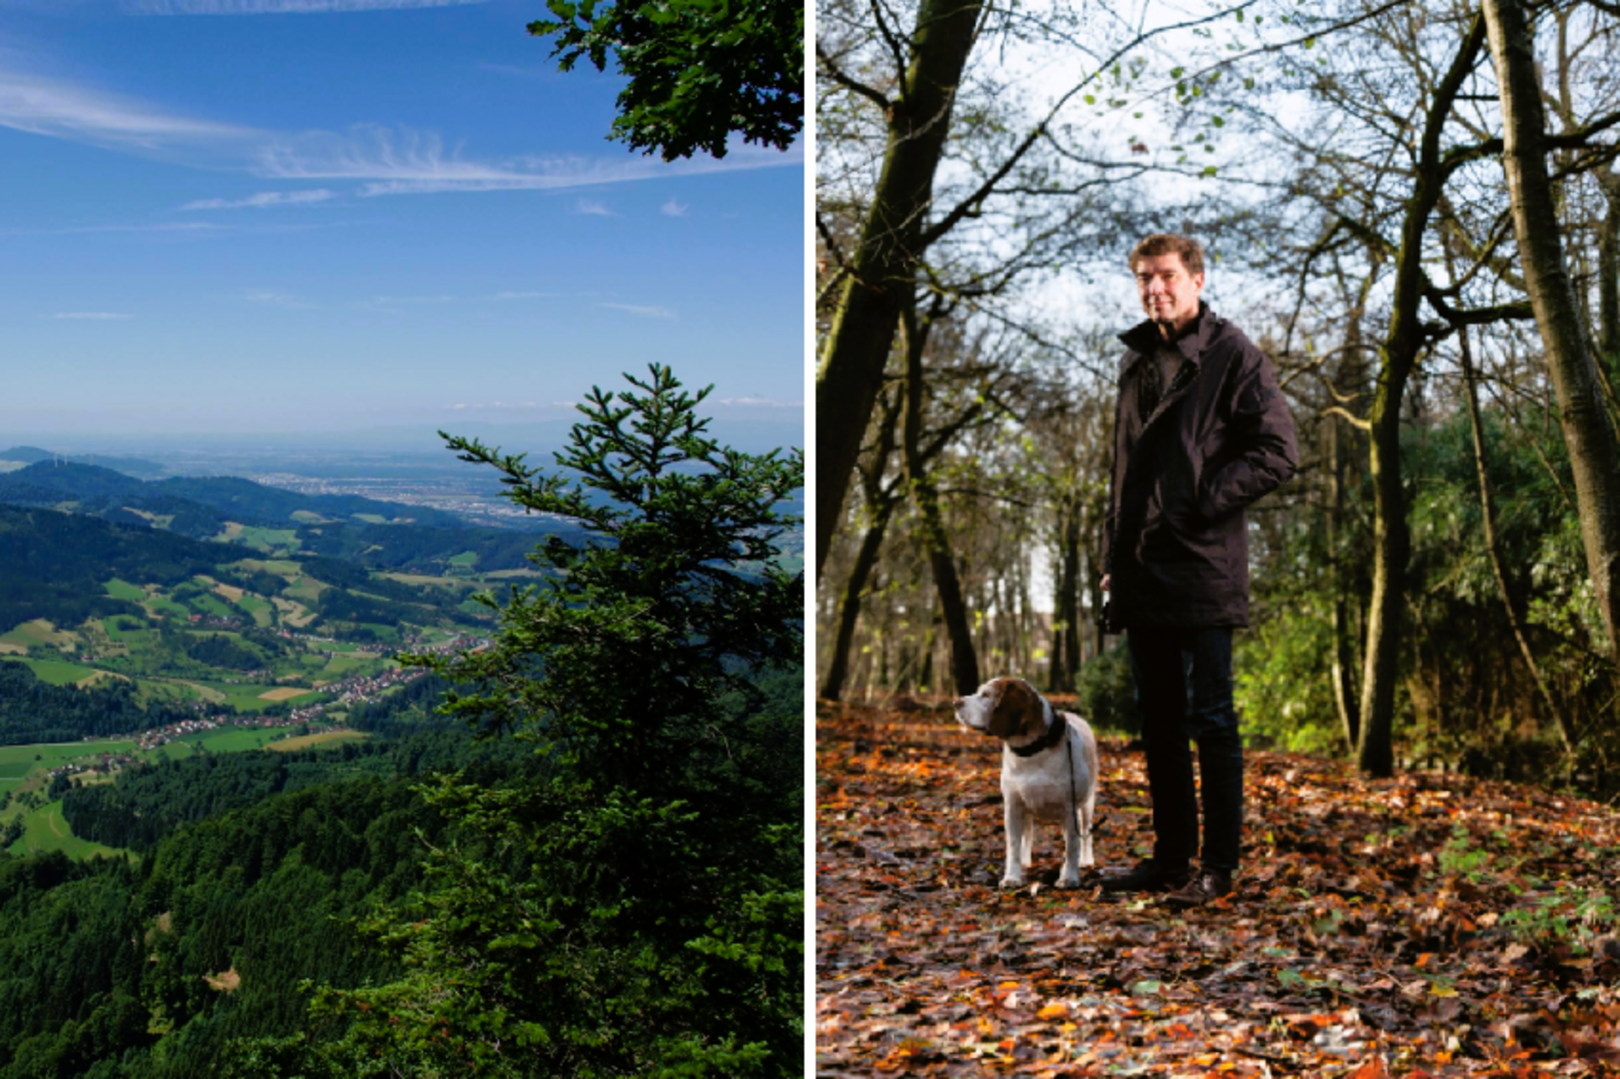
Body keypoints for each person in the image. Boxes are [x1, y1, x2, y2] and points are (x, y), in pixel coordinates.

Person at [1097, 233, 1298, 908]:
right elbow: (1121, 474)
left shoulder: (1232, 354)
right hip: (1143, 568)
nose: (1156, 288)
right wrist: (1110, 561)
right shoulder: (1136, 360)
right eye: (1145, 279)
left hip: (1206, 564)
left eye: (1167, 277)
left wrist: (1199, 500)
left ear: (1198, 280)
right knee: (1157, 720)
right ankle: (1170, 857)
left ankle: (1218, 866)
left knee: (1210, 717)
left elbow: (1277, 450)